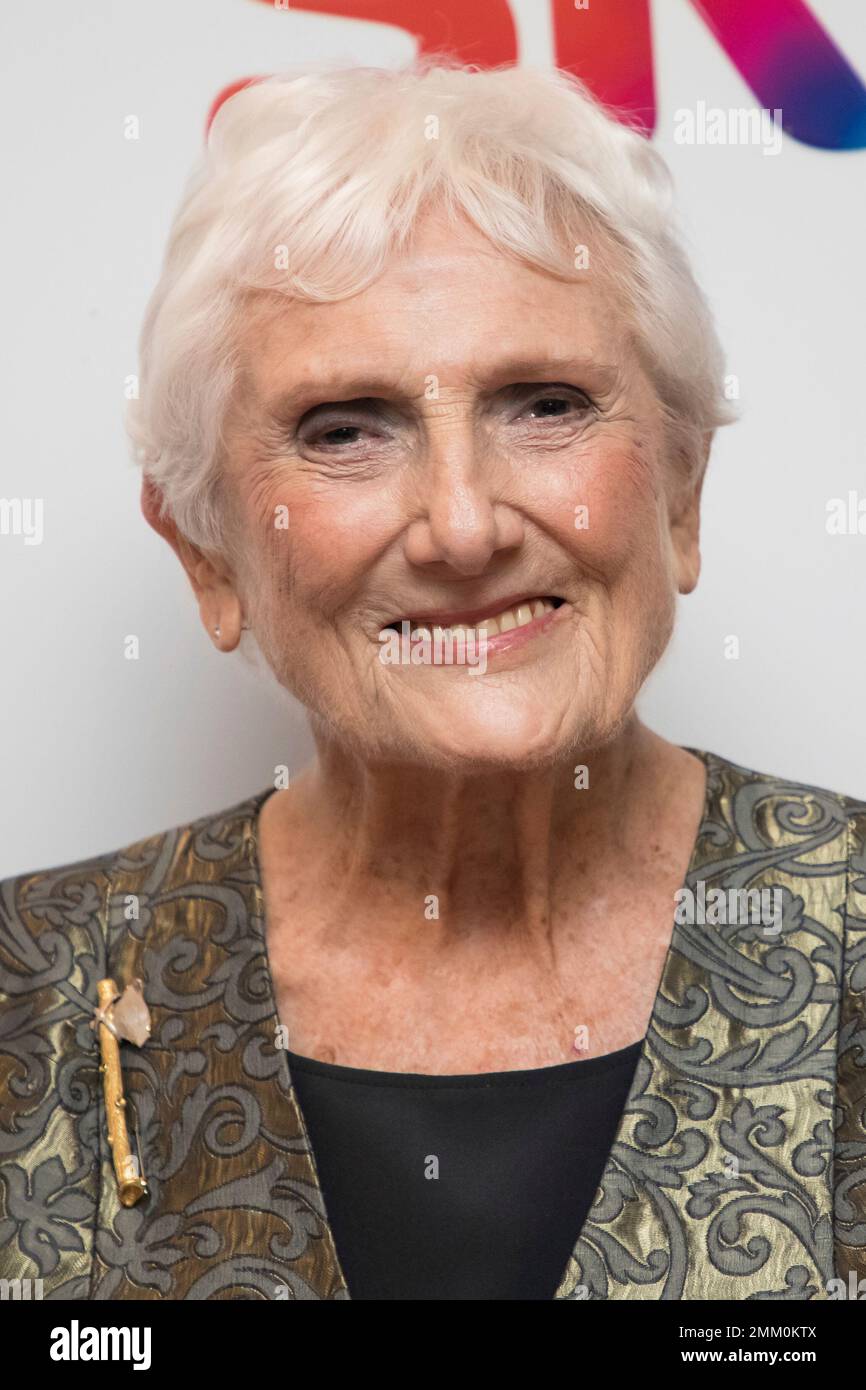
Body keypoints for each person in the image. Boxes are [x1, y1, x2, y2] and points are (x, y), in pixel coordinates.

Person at [1, 61, 864, 1302]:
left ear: (680, 488)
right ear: (204, 550)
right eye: (344, 428)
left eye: (546, 404)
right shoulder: (30, 983)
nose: (461, 528)